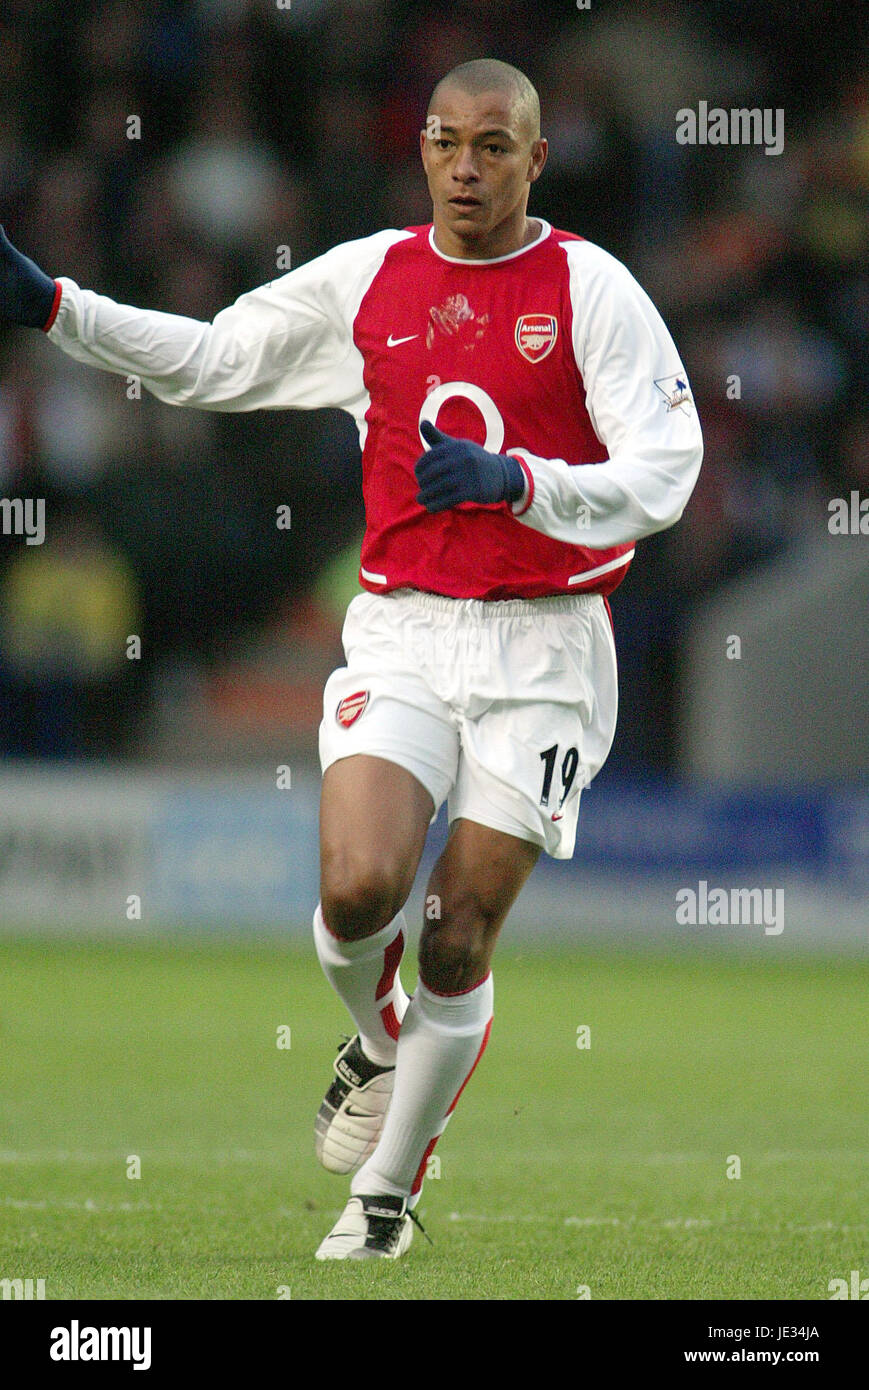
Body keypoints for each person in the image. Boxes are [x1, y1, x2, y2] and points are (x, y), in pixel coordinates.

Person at [0, 59, 703, 1261]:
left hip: (543, 651)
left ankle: (384, 1192)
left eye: (493, 146)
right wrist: (57, 307)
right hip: (406, 628)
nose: (466, 166)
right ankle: (379, 1042)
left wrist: (520, 481)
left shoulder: (592, 289)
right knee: (356, 892)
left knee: (455, 931)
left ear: (536, 159)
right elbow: (215, 359)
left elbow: (666, 469)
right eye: (445, 143)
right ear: (419, 150)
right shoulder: (370, 276)